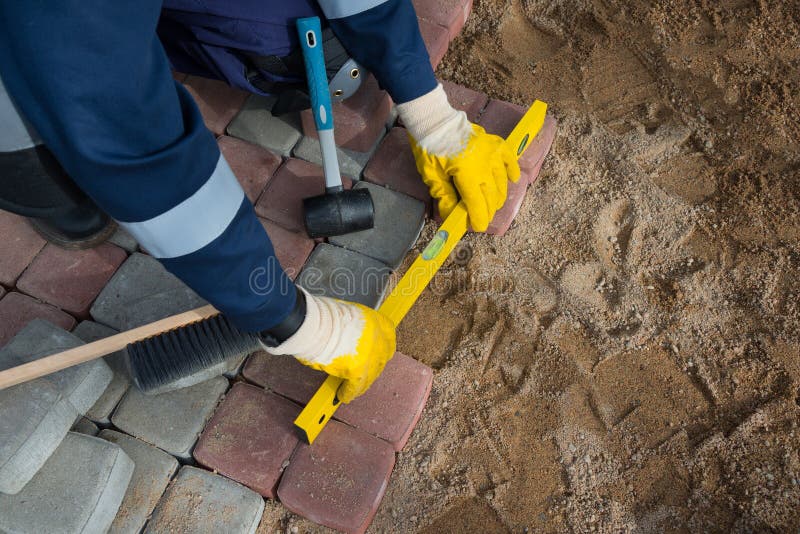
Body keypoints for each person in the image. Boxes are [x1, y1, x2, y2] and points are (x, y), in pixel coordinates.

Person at [0, 0, 519, 402]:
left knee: (309, 45)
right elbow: (130, 141)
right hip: (31, 43)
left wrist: (432, 115)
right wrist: (294, 322)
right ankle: (57, 187)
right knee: (56, 165)